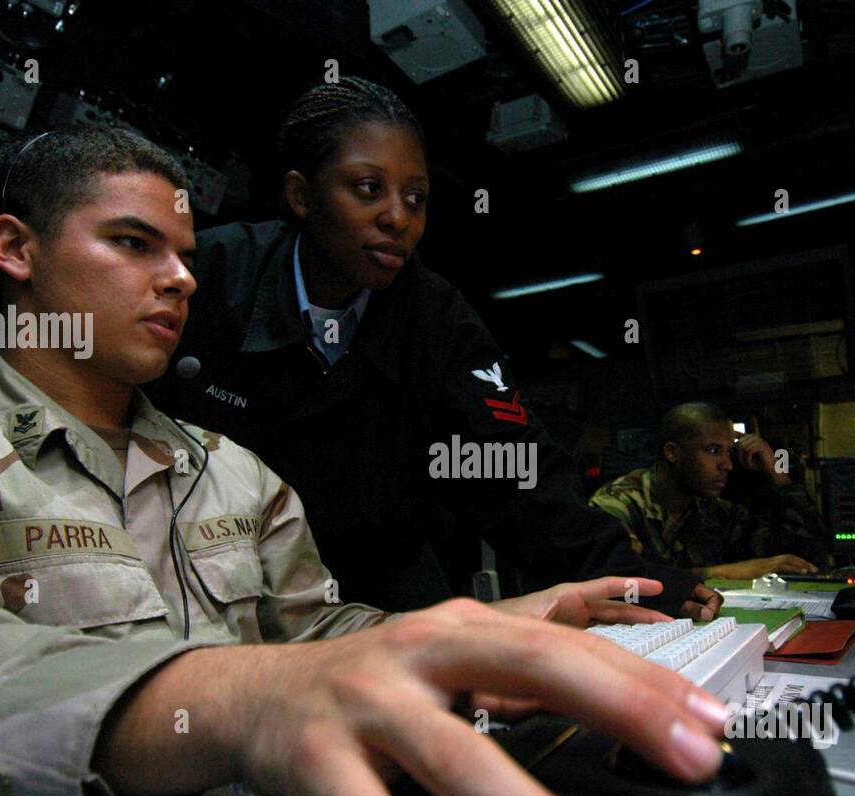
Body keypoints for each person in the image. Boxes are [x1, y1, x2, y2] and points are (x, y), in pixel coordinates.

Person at [0, 126, 731, 796]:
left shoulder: (230, 469)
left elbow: (318, 636)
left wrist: (487, 635)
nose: (181, 276)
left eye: (184, 253)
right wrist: (239, 702)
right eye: (132, 243)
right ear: (15, 248)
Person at [149, 76, 722, 621]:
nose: (399, 218)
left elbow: (514, 466)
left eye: (416, 196)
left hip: (372, 583)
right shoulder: (208, 278)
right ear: (301, 195)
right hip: (208, 576)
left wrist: (629, 575)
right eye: (368, 189)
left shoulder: (438, 319)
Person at [590, 402, 833, 580]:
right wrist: (722, 573)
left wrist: (778, 476)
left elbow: (809, 556)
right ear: (672, 452)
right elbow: (622, 584)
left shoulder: (713, 510)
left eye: (729, 452)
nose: (727, 465)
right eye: (714, 451)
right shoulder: (618, 504)